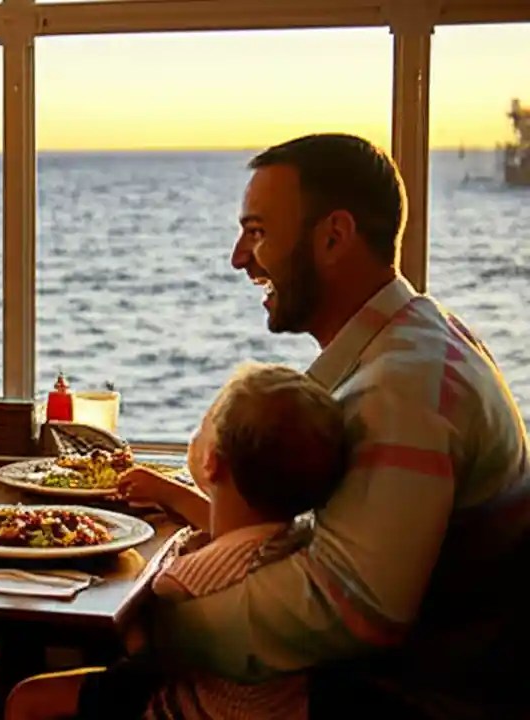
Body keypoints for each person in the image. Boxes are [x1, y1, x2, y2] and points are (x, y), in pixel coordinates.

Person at [147, 133, 530, 717]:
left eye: (257, 233)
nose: (239, 257)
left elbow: (350, 609)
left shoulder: (402, 387)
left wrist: (157, 627)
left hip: (405, 696)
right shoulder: (417, 338)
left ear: (333, 237)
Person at [4, 362, 346, 720]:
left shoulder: (188, 580)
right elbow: (237, 538)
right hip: (280, 709)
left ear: (211, 463)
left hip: (189, 708)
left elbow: (141, 645)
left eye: (203, 428)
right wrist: (175, 496)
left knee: (29, 698)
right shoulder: (302, 541)